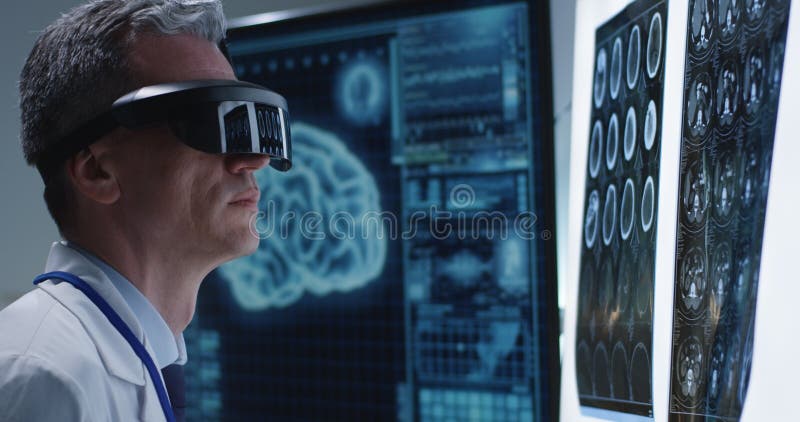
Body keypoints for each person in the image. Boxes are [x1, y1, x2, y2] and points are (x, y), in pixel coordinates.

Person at [0, 1, 290, 420]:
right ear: (97, 170)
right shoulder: (47, 379)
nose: (252, 160)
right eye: (207, 123)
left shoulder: (133, 356)